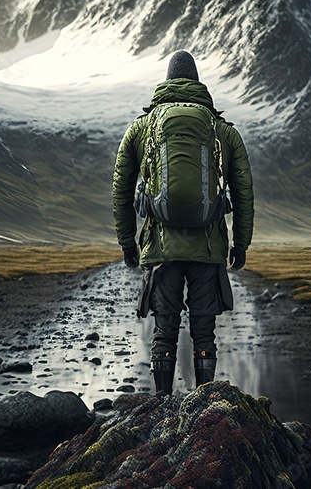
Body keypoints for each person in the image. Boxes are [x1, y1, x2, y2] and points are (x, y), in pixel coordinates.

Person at [112, 50, 254, 395]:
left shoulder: (141, 128)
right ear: (196, 82)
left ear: (167, 81)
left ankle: (162, 405)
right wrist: (241, 244)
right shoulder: (222, 130)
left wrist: (128, 242)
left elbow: (121, 188)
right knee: (204, 330)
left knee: (165, 327)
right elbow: (244, 191)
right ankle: (204, 404)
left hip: (161, 248)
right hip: (208, 247)